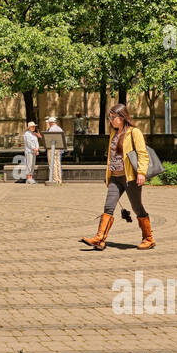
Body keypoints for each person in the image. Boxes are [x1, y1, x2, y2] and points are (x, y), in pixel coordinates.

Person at [82, 104, 155, 251]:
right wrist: (108, 175)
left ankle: (148, 238)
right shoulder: (113, 134)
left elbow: (142, 154)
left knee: (137, 207)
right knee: (108, 206)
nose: (111, 120)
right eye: (110, 117)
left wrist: (141, 173)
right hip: (115, 177)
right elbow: (111, 157)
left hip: (130, 178)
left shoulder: (134, 132)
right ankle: (100, 238)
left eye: (113, 117)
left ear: (122, 117)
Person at [45, 116, 64, 184]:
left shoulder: (51, 129)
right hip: (59, 148)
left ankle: (54, 179)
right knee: (58, 163)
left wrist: (47, 129)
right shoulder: (59, 128)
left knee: (52, 164)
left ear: (50, 123)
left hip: (52, 148)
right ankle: (59, 179)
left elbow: (48, 139)